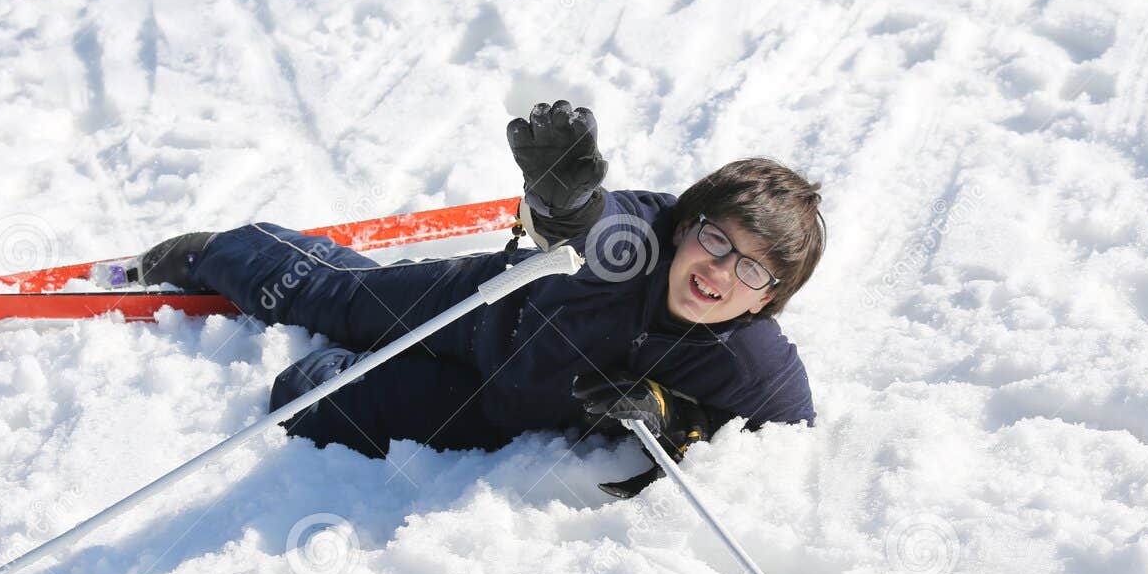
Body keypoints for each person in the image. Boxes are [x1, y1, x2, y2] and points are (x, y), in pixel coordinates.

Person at [129, 101, 824, 496]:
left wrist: (675, 413)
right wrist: (564, 203)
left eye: (755, 272)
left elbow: (790, 431)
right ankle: (216, 250)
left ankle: (345, 368)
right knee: (327, 296)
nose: (722, 271)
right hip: (480, 308)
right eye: (715, 240)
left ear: (768, 302)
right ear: (682, 228)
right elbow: (587, 224)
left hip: (497, 410)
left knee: (299, 402)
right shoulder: (635, 240)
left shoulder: (754, 362)